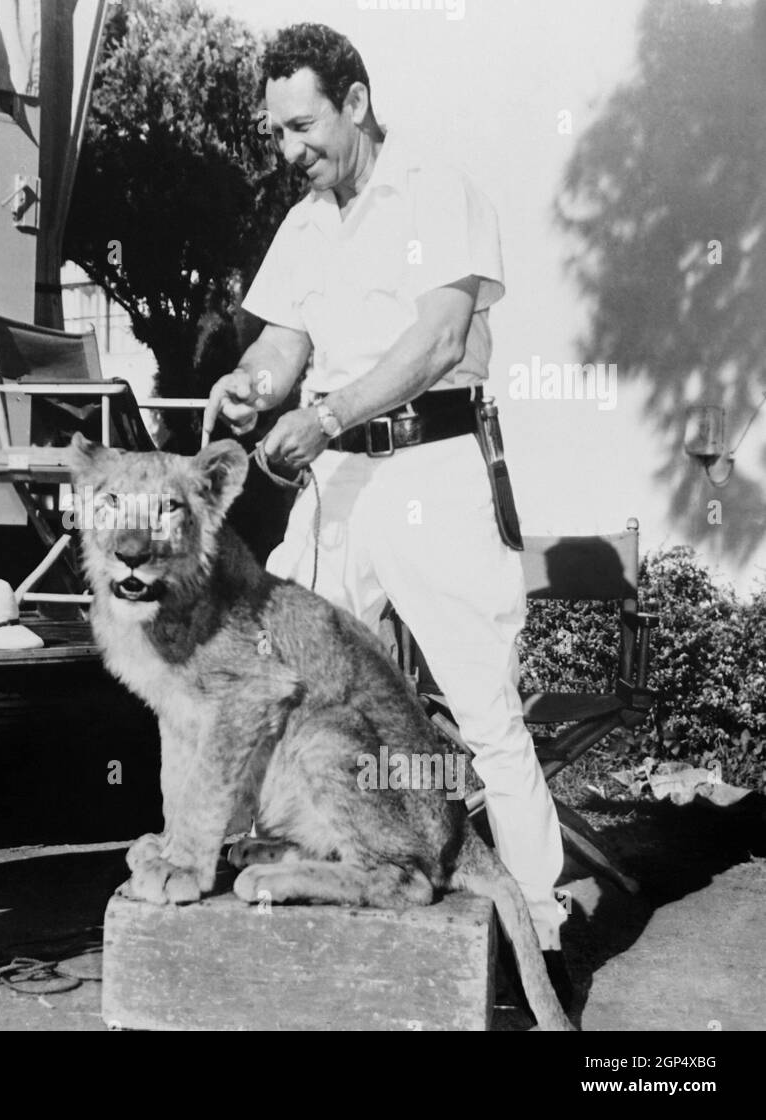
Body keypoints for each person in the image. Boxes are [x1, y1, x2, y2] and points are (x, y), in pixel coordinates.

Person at [203, 24, 570, 987]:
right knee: (277, 678)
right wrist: (249, 384)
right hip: (342, 483)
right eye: (277, 133)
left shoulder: (441, 191)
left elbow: (441, 341)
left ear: (356, 101)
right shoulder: (307, 223)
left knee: (483, 717)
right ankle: (329, 882)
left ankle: (544, 933)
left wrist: (326, 413)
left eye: (304, 125)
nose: (290, 151)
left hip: (436, 465)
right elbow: (282, 345)